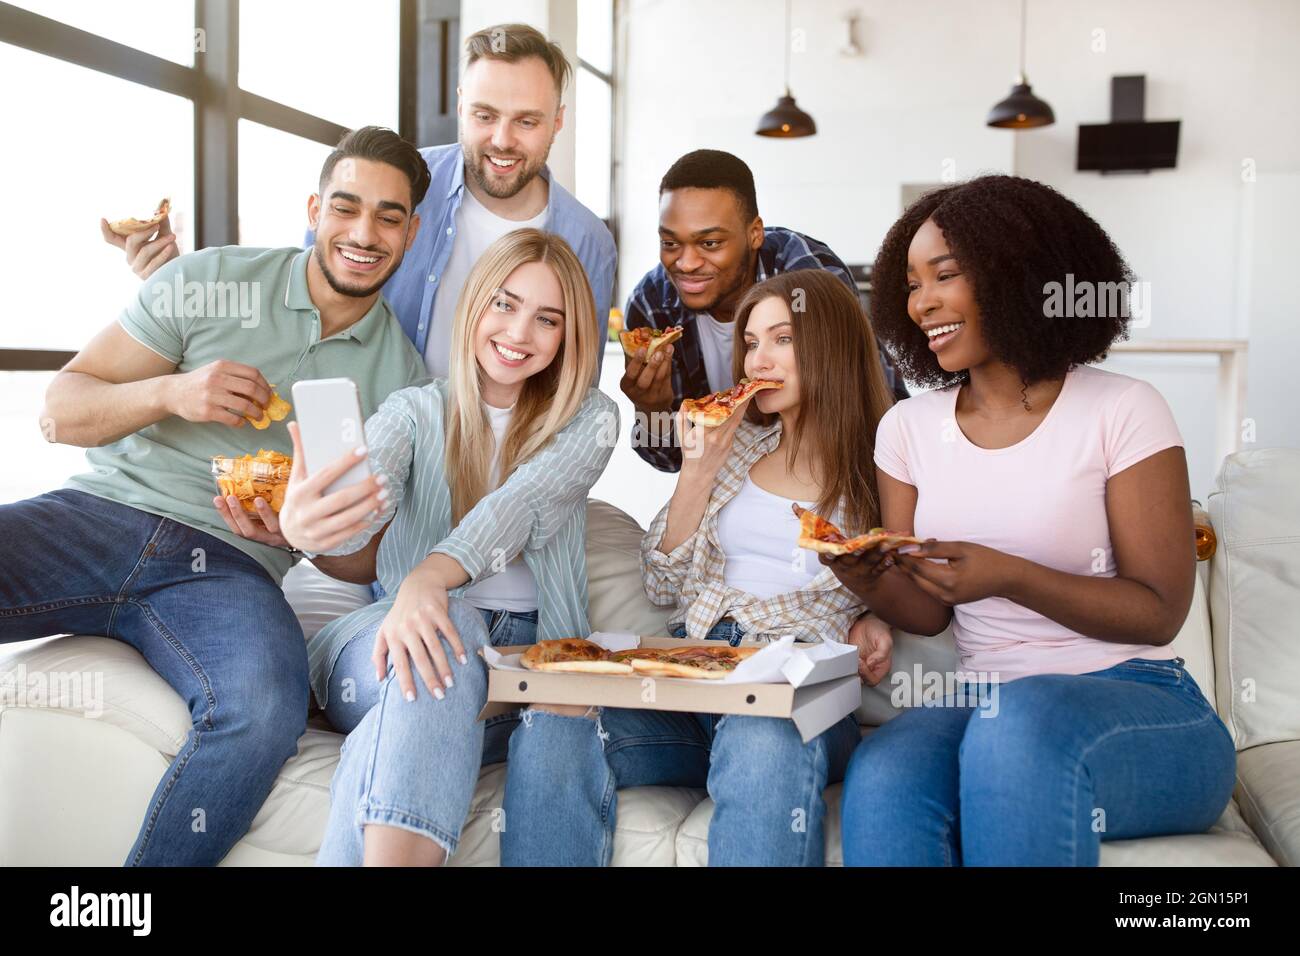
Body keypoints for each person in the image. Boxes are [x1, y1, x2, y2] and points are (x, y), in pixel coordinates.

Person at [3, 126, 429, 865]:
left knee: (265, 709)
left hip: (230, 567)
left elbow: (371, 563)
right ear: (313, 209)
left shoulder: (406, 383)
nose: (364, 233)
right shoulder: (208, 279)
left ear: (412, 230)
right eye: (346, 207)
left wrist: (302, 532)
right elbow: (59, 410)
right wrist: (173, 391)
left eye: (389, 216)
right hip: (95, 517)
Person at [827, 175, 1235, 866]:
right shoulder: (909, 430)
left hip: (1138, 699)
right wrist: (864, 576)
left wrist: (1008, 576)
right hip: (986, 700)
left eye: (945, 276)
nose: (922, 302)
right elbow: (926, 615)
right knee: (888, 772)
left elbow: (1159, 611)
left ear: (1018, 274)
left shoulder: (1125, 409)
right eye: (910, 285)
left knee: (1016, 729)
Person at [500, 269, 895, 867]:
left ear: (833, 343)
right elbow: (661, 583)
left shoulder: (884, 461)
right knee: (554, 721)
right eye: (751, 343)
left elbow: (906, 568)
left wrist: (871, 612)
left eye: (782, 339)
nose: (759, 359)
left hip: (796, 684)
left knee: (763, 734)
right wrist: (697, 472)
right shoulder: (734, 445)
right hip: (696, 667)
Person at [279, 229, 616, 866]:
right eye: (505, 304)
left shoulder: (591, 419)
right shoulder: (410, 412)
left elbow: (518, 506)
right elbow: (357, 516)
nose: (519, 333)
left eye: (547, 319)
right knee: (447, 629)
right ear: (474, 305)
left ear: (569, 336)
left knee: (402, 716)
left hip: (527, 651)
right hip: (389, 639)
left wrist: (430, 575)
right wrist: (307, 522)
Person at [104, 23, 617, 382]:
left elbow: (573, 390)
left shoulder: (589, 241)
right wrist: (178, 287)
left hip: (502, 465)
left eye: (526, 121)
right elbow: (303, 301)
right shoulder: (394, 182)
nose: (502, 140)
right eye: (484, 115)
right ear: (460, 106)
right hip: (368, 440)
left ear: (557, 122)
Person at [620, 149, 907, 472]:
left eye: (710, 243)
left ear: (755, 233)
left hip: (837, 470)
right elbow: (672, 460)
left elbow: (867, 406)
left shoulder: (808, 275)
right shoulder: (652, 305)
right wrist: (650, 409)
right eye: (671, 243)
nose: (686, 263)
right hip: (724, 485)